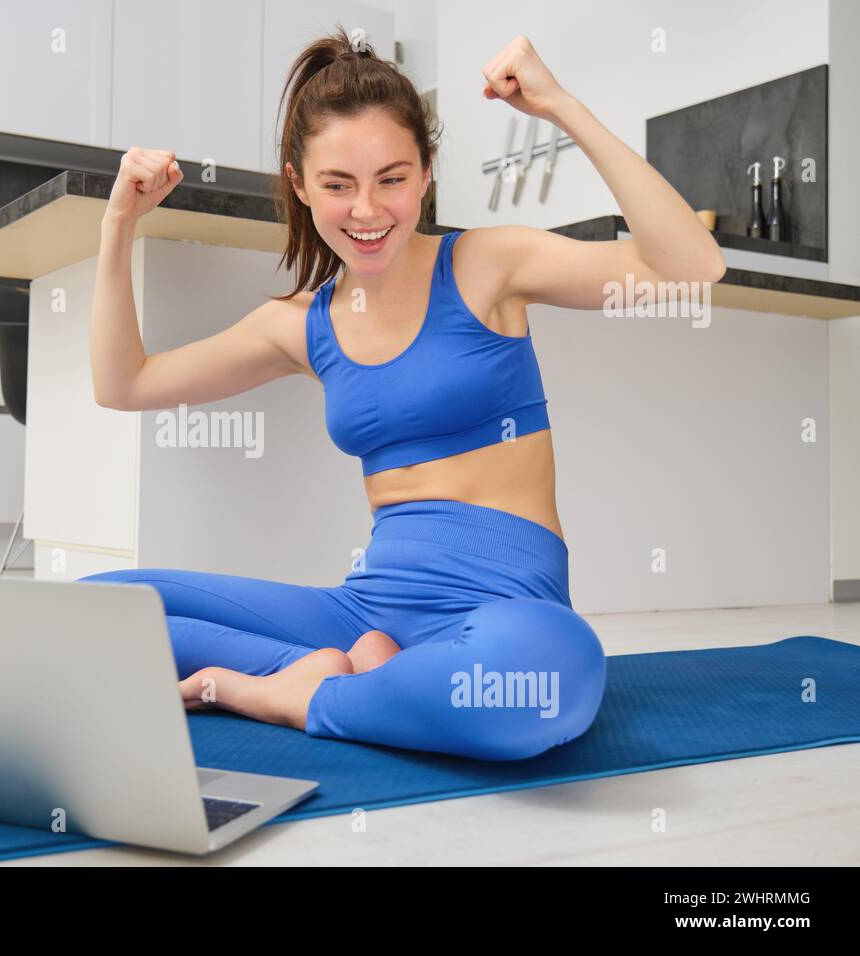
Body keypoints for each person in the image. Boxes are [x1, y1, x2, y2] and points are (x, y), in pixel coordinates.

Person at [80, 30, 725, 760]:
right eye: (337, 184)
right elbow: (124, 383)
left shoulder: (487, 266)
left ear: (425, 175)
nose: (367, 210)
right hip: (365, 617)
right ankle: (360, 683)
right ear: (299, 184)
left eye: (392, 178)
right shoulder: (302, 326)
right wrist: (119, 223)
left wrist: (560, 106)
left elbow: (693, 266)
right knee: (95, 607)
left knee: (542, 682)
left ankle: (274, 691)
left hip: (507, 614)